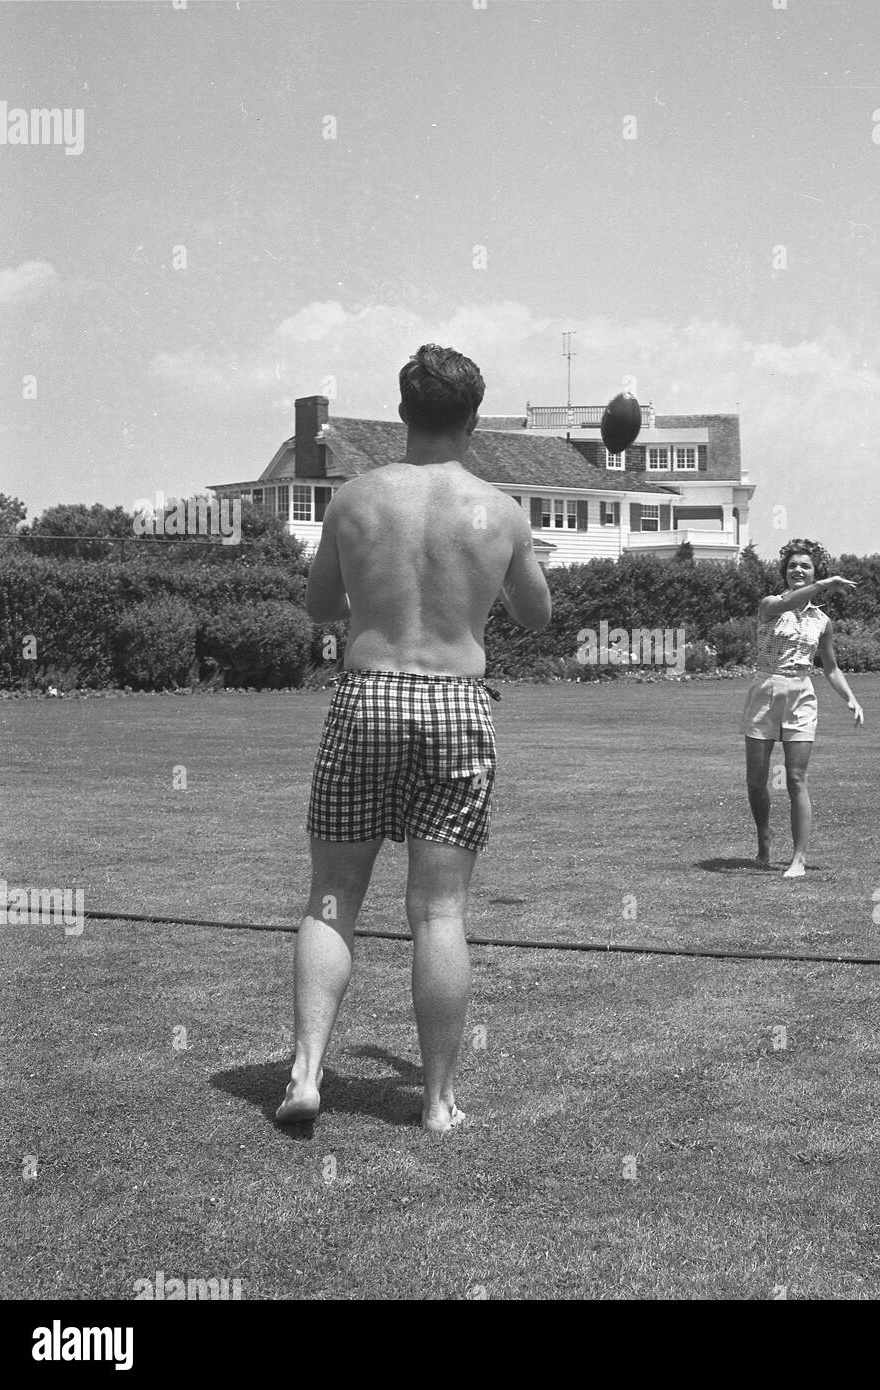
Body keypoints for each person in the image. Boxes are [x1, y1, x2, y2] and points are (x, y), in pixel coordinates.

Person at [277, 345, 551, 1133]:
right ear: (473, 419)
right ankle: (436, 1103)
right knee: (438, 912)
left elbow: (321, 606)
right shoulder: (500, 510)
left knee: (333, 898)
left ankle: (304, 1073)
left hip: (367, 696)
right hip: (457, 702)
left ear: (402, 415)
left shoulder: (355, 500)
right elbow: (537, 617)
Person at [742, 538, 864, 878]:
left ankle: (799, 858)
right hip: (765, 689)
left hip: (801, 695)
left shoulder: (822, 621)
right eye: (793, 565)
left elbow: (830, 667)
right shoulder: (770, 604)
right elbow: (791, 602)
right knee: (756, 780)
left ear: (814, 572)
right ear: (785, 572)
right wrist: (825, 585)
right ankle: (764, 838)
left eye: (805, 566)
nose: (798, 570)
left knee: (796, 778)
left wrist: (851, 699)